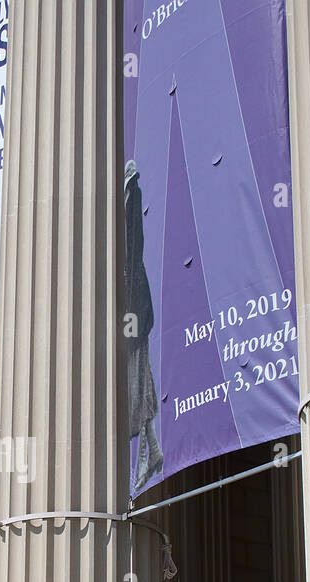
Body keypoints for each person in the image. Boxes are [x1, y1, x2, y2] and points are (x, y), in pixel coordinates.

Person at [124, 160, 163, 493]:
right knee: (141, 371)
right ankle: (151, 449)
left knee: (134, 377)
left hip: (133, 303)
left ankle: (146, 453)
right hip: (134, 304)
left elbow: (133, 252)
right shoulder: (126, 196)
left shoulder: (130, 194)